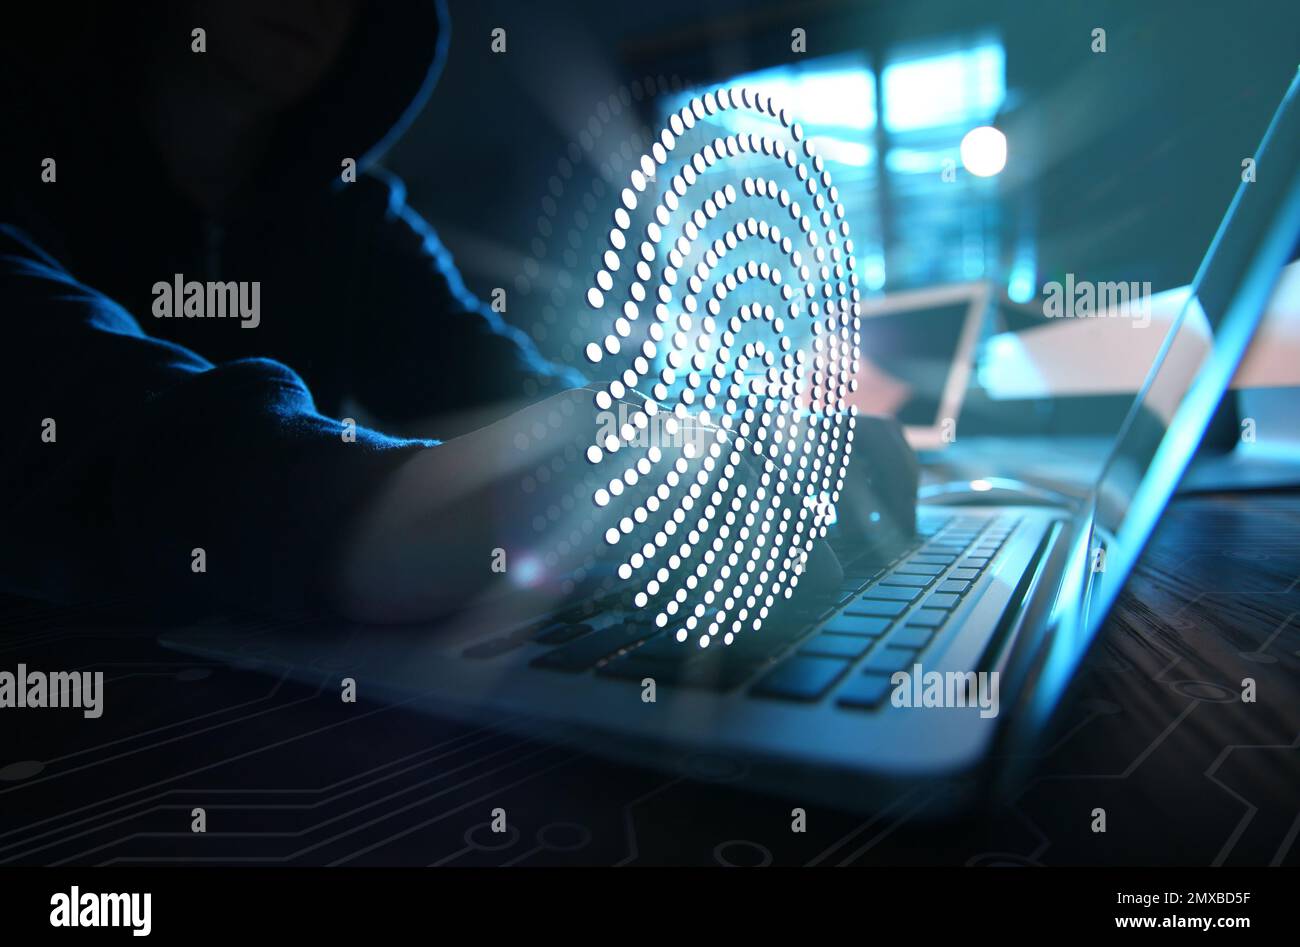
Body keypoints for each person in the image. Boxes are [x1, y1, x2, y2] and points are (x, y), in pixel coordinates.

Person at [0, 0, 915, 623]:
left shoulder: (350, 218)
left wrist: (699, 439)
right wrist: (362, 516)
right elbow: (91, 415)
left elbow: (498, 384)